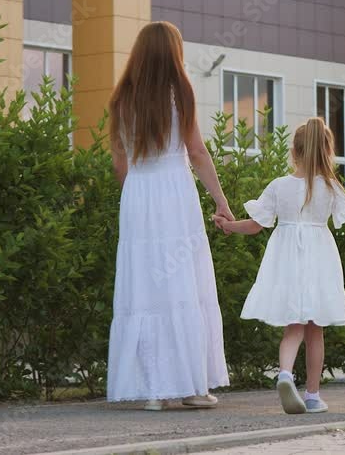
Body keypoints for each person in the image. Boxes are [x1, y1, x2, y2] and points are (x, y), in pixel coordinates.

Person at [213, 117, 345, 414]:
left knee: (293, 326)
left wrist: (229, 226)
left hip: (285, 258)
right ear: (326, 152)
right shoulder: (330, 187)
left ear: (294, 152)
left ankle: (285, 373)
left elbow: (256, 225)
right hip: (319, 259)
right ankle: (312, 395)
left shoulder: (279, 186)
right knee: (316, 330)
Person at [106, 21, 233, 411]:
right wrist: (221, 201)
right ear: (173, 52)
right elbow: (196, 152)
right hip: (175, 192)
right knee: (182, 286)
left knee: (145, 288)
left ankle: (153, 391)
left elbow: (120, 160)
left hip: (139, 194)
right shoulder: (181, 92)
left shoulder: (123, 97)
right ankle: (192, 388)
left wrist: (135, 195)